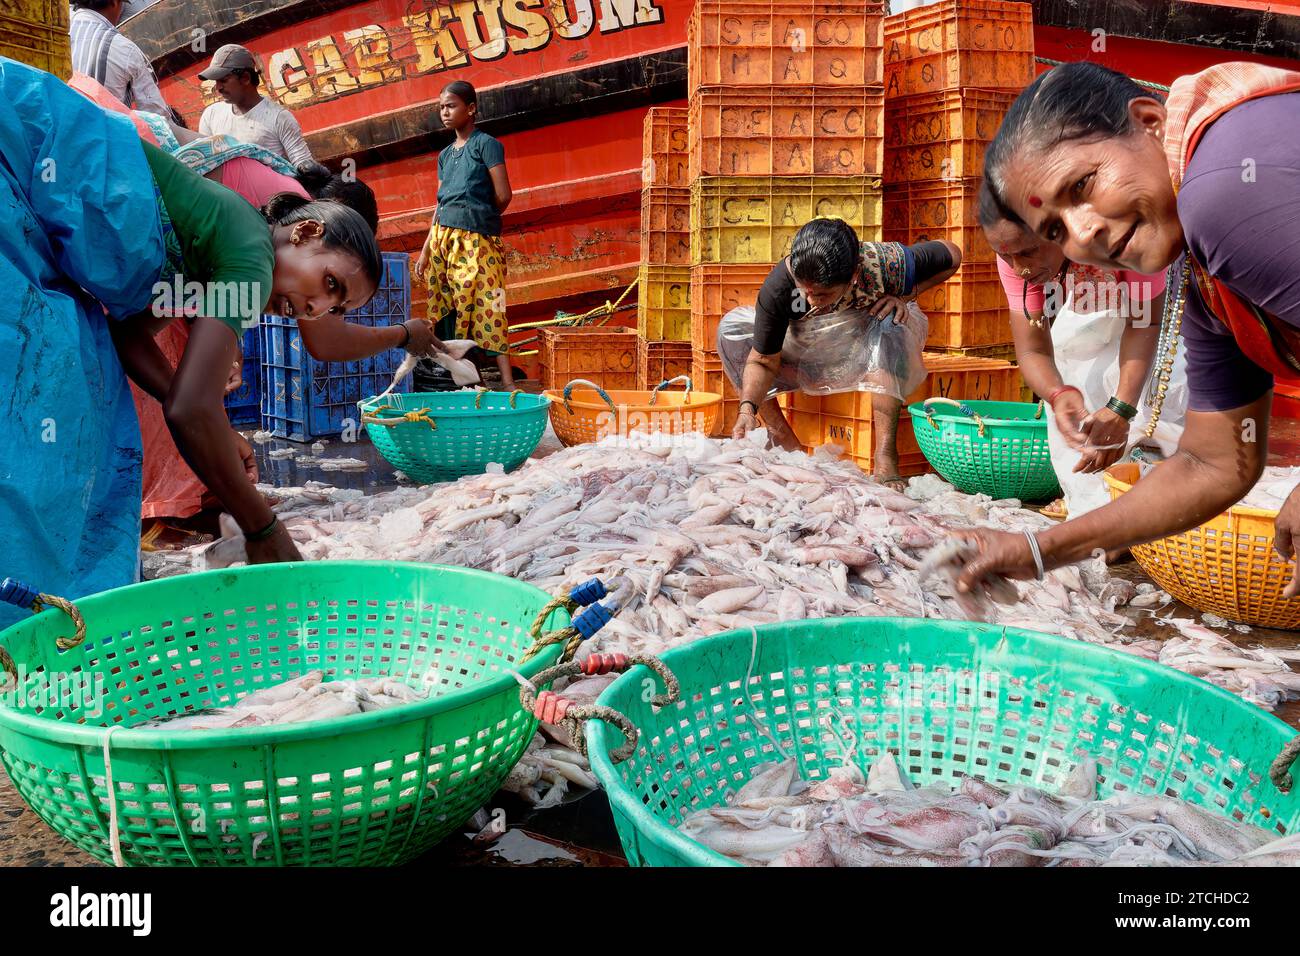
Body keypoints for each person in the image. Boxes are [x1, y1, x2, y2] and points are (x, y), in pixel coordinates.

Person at [0, 57, 383, 626]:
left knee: (81, 368)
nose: (317, 308)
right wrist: (263, 528)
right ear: (305, 231)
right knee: (49, 390)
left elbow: (129, 338)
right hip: (25, 136)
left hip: (23, 139)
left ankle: (46, 605)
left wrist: (219, 430)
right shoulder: (250, 257)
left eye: (336, 306)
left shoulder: (215, 259)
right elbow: (188, 407)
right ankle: (39, 614)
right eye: (330, 283)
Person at [956, 59, 1300, 598]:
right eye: (1056, 228)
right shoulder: (1202, 278)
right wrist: (1036, 551)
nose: (1084, 230)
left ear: (1148, 122)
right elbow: (1212, 463)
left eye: (1083, 184)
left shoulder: (1221, 195)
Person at [978, 182, 1183, 520]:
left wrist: (1120, 408)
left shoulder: (1126, 233)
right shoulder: (1017, 256)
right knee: (1070, 369)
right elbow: (1033, 350)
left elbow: (1144, 324)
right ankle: (1094, 514)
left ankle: (1157, 514)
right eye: (1005, 256)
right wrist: (1058, 395)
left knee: (1164, 389)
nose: (1019, 268)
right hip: (1092, 299)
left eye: (1028, 252)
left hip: (1156, 307)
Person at [721, 218, 961, 490]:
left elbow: (952, 254)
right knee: (734, 331)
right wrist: (747, 408)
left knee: (890, 323)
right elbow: (763, 360)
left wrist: (905, 297)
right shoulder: (780, 287)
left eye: (821, 295)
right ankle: (783, 439)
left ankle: (885, 457)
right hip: (809, 348)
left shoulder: (886, 263)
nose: (811, 301)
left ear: (854, 275)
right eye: (805, 292)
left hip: (863, 342)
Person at [414, 80, 515, 387]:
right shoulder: (445, 155)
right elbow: (441, 204)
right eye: (441, 107)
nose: (445, 112)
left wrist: (478, 218)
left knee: (489, 306)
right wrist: (425, 249)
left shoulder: (487, 144)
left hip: (478, 241)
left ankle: (509, 383)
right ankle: (469, 380)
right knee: (451, 309)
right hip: (443, 240)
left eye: (451, 106)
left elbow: (504, 195)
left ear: (471, 108)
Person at [198, 44, 314, 167]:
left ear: (245, 78)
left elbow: (303, 163)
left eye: (224, 80)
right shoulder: (211, 115)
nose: (218, 88)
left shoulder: (279, 118)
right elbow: (205, 163)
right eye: (216, 82)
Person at [69, 0, 169, 116]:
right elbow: (159, 116)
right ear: (114, 2)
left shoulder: (59, 29)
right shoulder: (125, 49)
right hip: (104, 130)